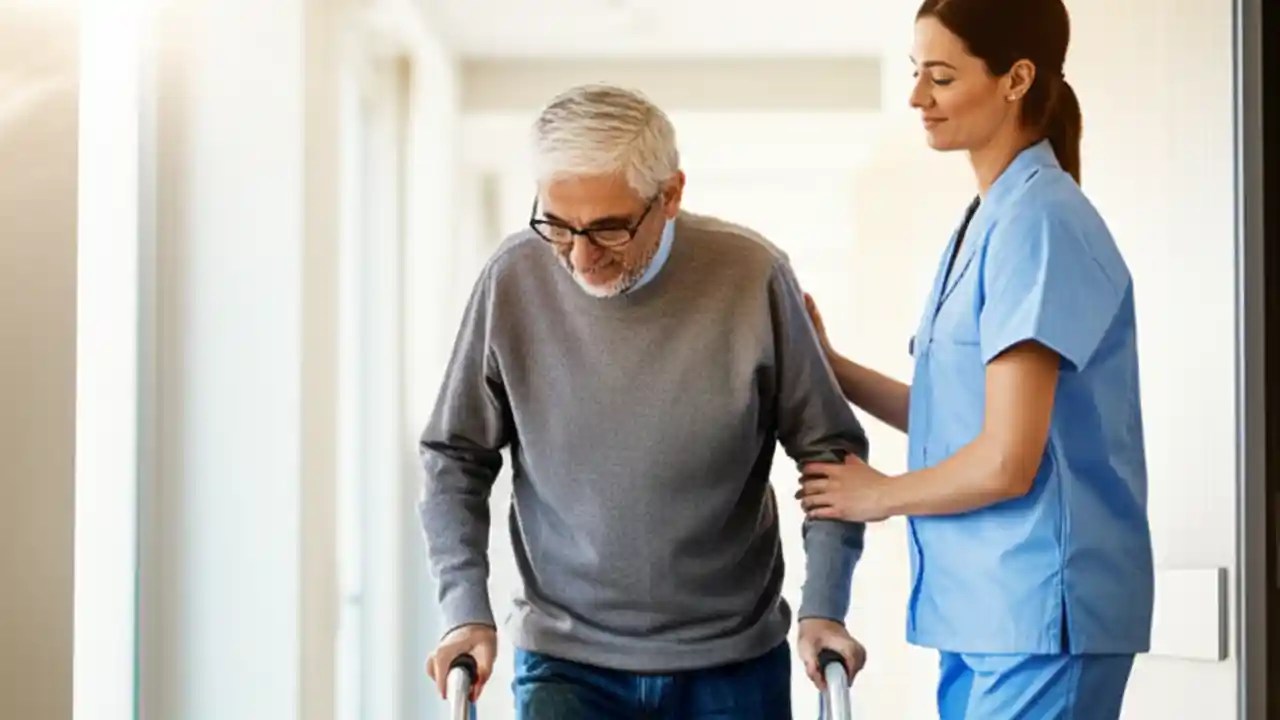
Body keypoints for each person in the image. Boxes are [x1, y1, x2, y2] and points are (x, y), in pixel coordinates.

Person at [419, 83, 869, 719]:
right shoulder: (513, 279)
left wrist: (826, 604)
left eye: (607, 228)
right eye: (556, 224)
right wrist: (464, 608)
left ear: (671, 196)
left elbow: (829, 450)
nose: (579, 256)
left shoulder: (753, 276)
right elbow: (454, 454)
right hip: (567, 663)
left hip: (732, 660)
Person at [797, 1, 1153, 718]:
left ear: (1016, 79)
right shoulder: (988, 220)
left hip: (1042, 615)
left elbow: (1006, 460)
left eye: (941, 76)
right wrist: (834, 368)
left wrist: (879, 495)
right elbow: (957, 417)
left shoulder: (1039, 222)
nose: (916, 98)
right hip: (985, 614)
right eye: (915, 73)